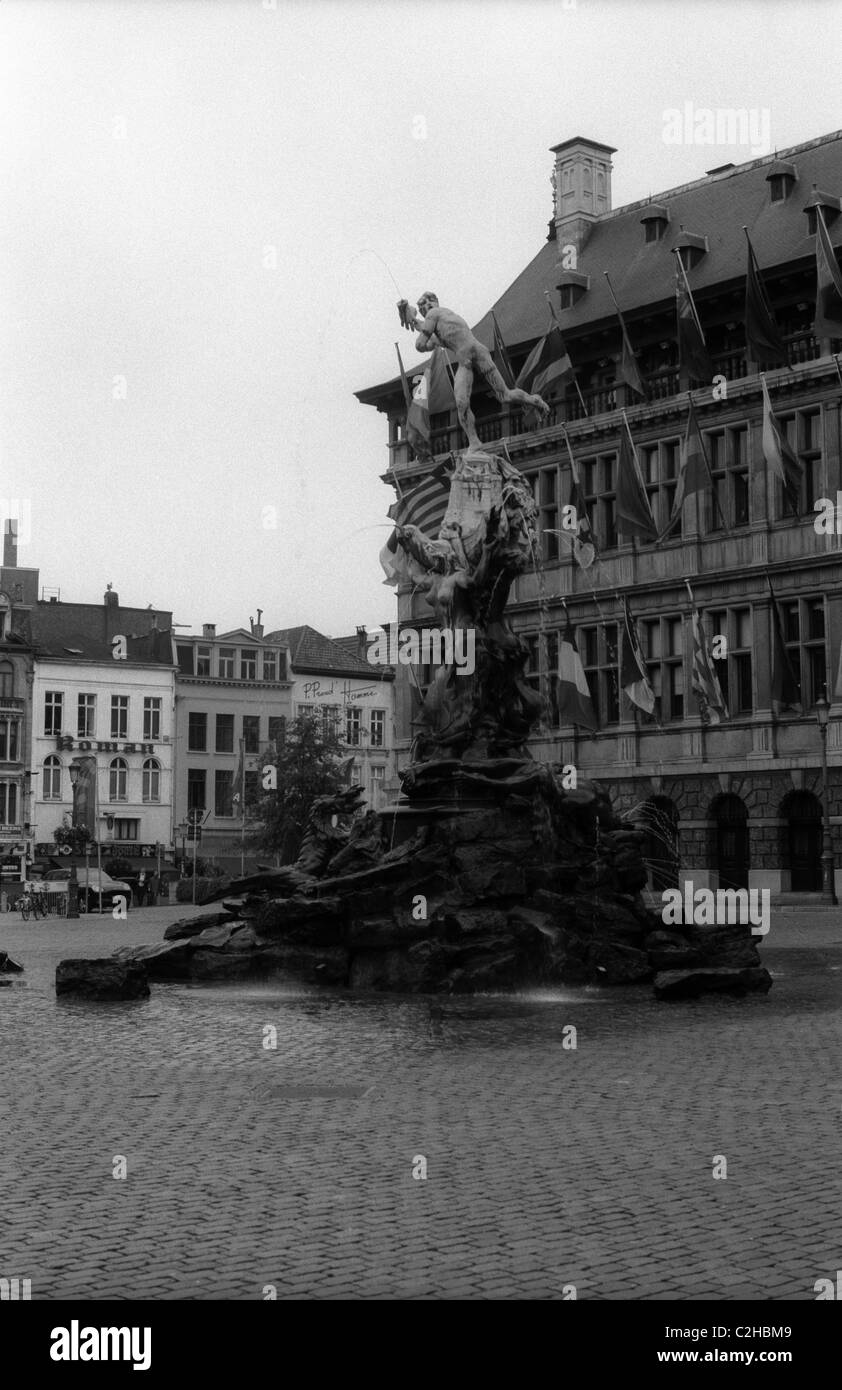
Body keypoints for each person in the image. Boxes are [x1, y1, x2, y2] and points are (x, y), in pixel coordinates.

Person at [398, 292, 550, 452]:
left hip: (475, 352)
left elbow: (421, 343)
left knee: (504, 395)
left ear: (435, 303)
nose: (427, 308)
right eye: (423, 308)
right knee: (463, 402)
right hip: (467, 360)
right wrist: (413, 320)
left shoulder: (435, 313)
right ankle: (474, 441)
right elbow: (428, 342)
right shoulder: (437, 327)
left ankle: (535, 401)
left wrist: (414, 320)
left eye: (429, 304)